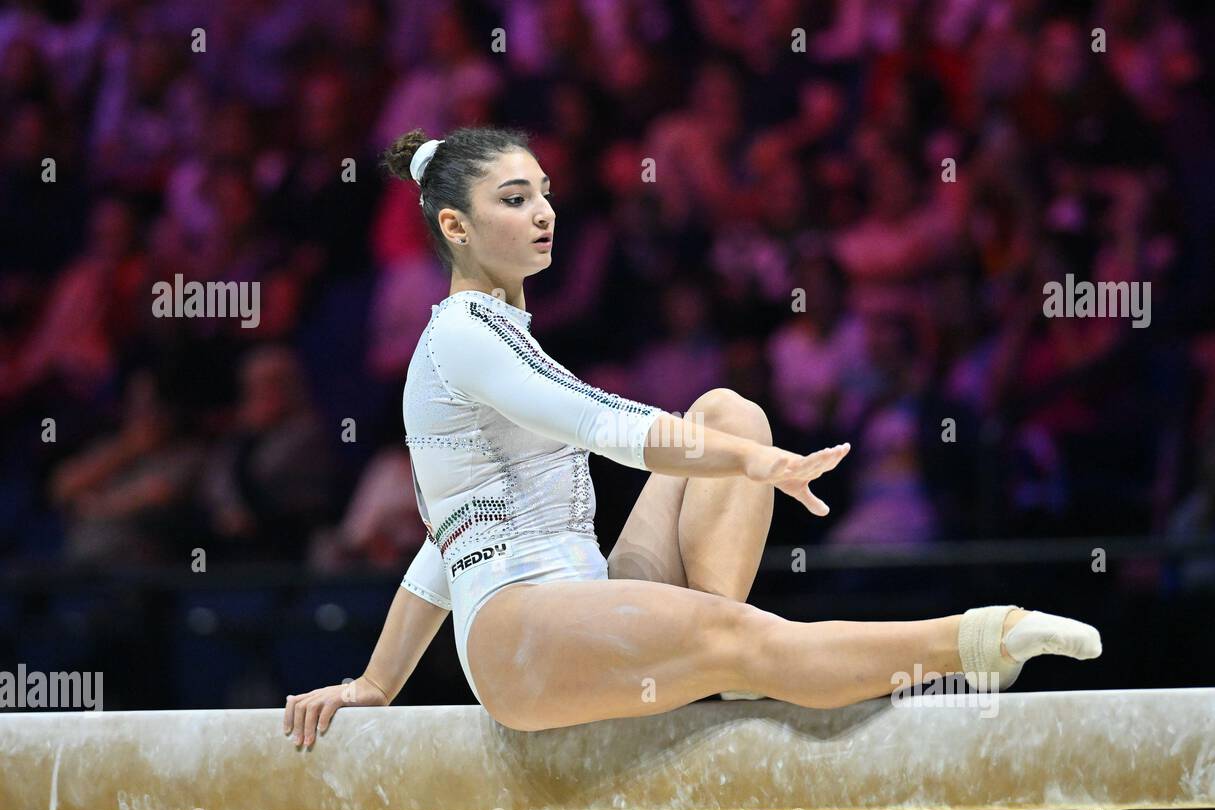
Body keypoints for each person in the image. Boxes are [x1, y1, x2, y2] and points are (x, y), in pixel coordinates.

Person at [284, 126, 1102, 744]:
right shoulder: (463, 336)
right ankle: (974, 640)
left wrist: (375, 682)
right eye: (513, 199)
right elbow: (605, 426)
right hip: (521, 636)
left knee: (729, 408)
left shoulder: (503, 333)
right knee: (736, 549)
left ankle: (718, 657)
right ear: (455, 228)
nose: (542, 214)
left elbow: (447, 535)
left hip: (587, 601)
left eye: (542, 193)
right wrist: (758, 464)